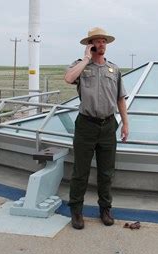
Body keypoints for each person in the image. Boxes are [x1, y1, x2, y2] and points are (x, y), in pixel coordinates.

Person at [64, 27, 129, 230]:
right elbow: (68, 78)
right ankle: (76, 211)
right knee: (80, 172)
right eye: (96, 41)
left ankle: (105, 209)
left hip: (108, 125)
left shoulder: (114, 70)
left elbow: (120, 98)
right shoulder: (80, 66)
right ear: (90, 44)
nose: (101, 44)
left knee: (106, 172)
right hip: (86, 125)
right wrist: (85, 59)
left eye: (103, 41)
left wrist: (125, 123)